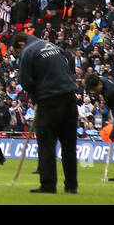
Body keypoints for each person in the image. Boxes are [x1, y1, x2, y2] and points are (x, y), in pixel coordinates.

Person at [11, 31, 79, 194]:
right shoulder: (52, 46)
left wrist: (36, 99)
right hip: (70, 98)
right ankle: (71, 186)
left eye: (17, 52)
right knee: (69, 145)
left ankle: (48, 185)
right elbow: (69, 67)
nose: (19, 55)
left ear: (20, 44)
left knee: (47, 143)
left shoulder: (28, 51)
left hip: (49, 100)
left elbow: (26, 81)